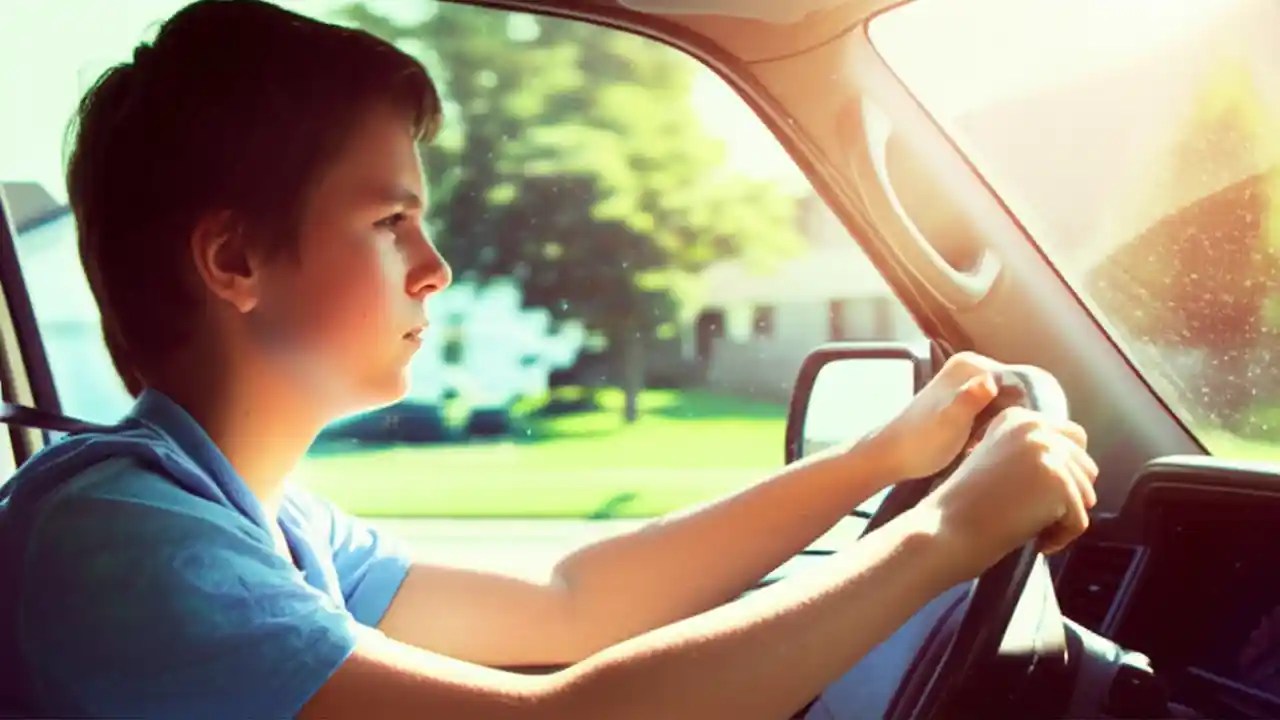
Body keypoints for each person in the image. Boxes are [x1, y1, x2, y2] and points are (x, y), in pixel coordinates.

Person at [0, 1, 1099, 717]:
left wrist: (875, 461)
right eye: (389, 223)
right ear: (235, 258)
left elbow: (568, 597)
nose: (432, 269)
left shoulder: (261, 520)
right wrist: (947, 533)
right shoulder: (122, 547)